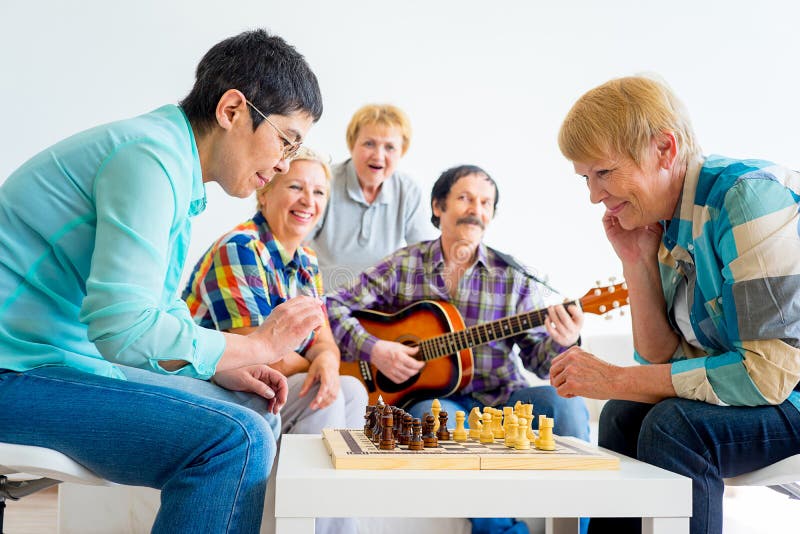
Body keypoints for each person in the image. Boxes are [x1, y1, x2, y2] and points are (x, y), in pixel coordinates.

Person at [0, 30, 326, 534]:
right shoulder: (147, 159)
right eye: (285, 140)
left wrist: (215, 369)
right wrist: (256, 346)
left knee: (255, 410)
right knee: (235, 439)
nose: (284, 163)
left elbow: (156, 306)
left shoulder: (170, 163)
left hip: (50, 361)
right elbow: (124, 329)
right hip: (15, 372)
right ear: (232, 110)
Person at [552, 75, 800, 534]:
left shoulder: (746, 198)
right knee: (623, 412)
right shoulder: (666, 222)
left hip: (791, 393)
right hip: (772, 393)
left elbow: (768, 376)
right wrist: (636, 262)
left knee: (673, 424)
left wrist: (616, 377)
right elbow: (660, 359)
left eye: (604, 173)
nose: (593, 196)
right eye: (586, 178)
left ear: (664, 149)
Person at [327, 164, 590, 534]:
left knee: (568, 405)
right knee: (440, 420)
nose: (475, 209)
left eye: (485, 202)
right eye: (465, 198)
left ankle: (577, 528)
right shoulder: (405, 265)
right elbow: (334, 306)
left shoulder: (512, 276)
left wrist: (566, 341)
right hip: (434, 402)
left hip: (502, 399)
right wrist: (376, 350)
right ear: (438, 206)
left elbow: (538, 359)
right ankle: (500, 531)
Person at [183, 146, 368, 434]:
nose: (308, 201)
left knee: (353, 390)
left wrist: (328, 362)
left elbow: (324, 341)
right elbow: (258, 354)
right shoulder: (241, 248)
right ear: (264, 193)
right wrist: (318, 369)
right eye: (296, 187)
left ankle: (338, 479)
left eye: (319, 192)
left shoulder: (306, 259)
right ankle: (299, 480)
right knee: (322, 397)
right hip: (213, 387)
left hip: (272, 385)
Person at [307, 104, 436, 291]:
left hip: (381, 309)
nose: (379, 156)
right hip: (325, 302)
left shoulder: (408, 191)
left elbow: (425, 260)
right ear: (352, 145)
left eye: (390, 147)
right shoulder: (326, 181)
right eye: (369, 143)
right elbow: (296, 243)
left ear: (402, 152)